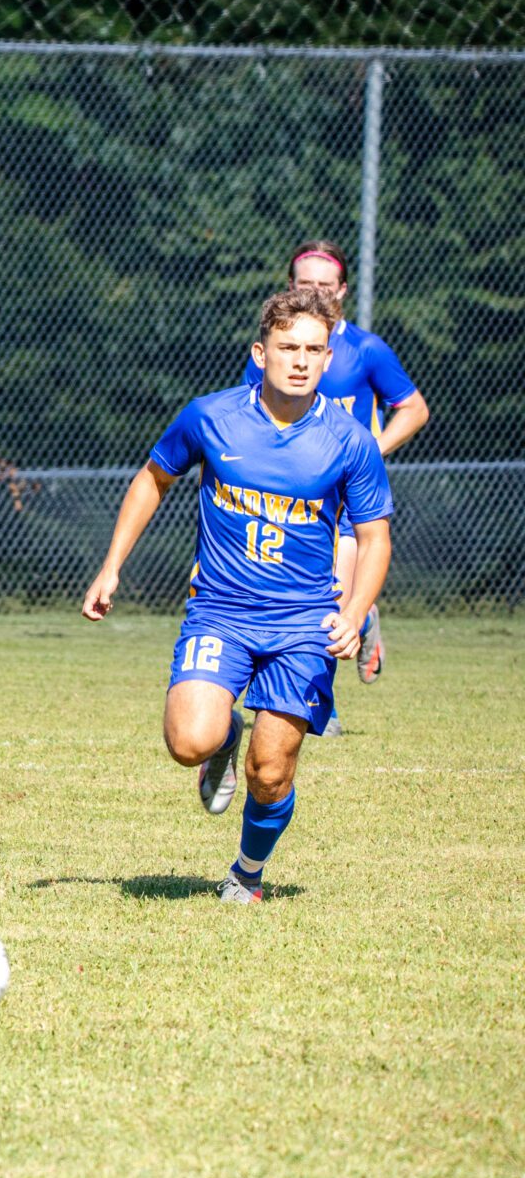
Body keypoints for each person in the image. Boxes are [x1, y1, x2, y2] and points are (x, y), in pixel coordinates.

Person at [82, 286, 392, 902]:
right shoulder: (211, 416)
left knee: (270, 771)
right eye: (287, 347)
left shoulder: (350, 440)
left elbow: (374, 537)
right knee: (187, 742)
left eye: (313, 350)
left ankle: (247, 875)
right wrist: (111, 566)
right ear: (260, 353)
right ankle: (222, 740)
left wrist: (355, 613)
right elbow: (152, 479)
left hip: (304, 623)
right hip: (220, 611)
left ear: (328, 359)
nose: (300, 360)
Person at [240, 240, 427, 687]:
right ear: (290, 285)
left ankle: (319, 701)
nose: (316, 291)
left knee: (330, 600)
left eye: (326, 285)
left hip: (342, 494)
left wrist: (370, 450)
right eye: (306, 283)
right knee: (292, 592)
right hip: (287, 490)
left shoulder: (365, 350)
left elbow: (414, 409)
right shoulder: (277, 350)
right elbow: (249, 413)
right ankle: (360, 624)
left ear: (342, 290)